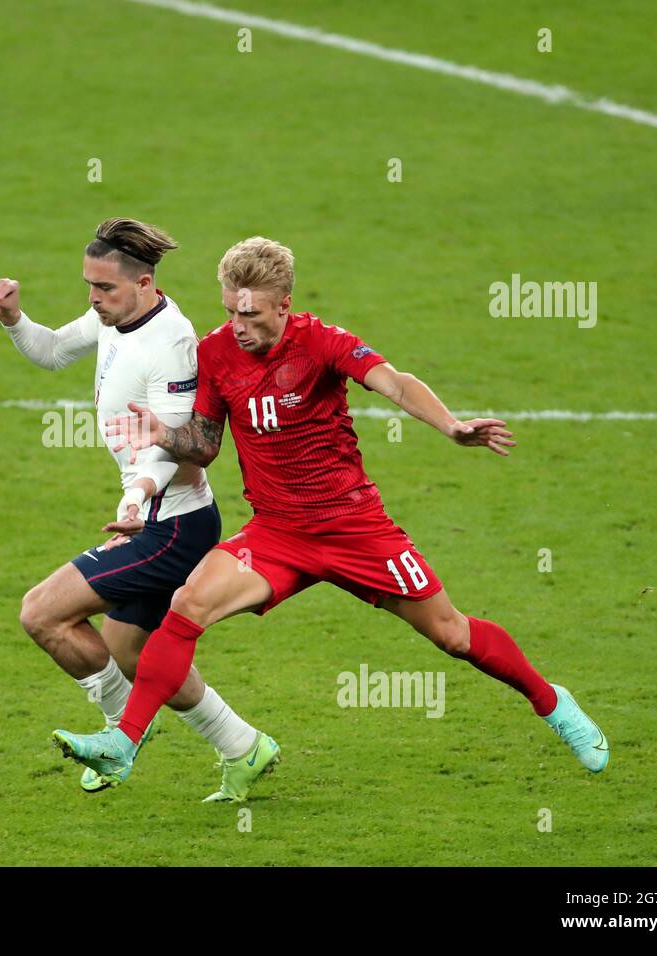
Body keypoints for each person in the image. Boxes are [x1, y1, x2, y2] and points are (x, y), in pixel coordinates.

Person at [54, 235, 610, 787]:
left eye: (249, 313)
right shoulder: (216, 352)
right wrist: (167, 435)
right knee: (186, 605)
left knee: (453, 635)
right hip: (276, 533)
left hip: (354, 528)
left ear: (284, 304)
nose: (237, 325)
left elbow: (393, 382)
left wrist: (451, 426)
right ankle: (123, 743)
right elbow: (205, 443)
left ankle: (552, 703)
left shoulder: (321, 342)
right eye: (229, 310)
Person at [0, 219, 277, 800]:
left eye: (105, 289)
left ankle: (122, 737)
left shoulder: (169, 344)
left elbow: (176, 444)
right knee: (131, 651)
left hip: (172, 524)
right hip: (148, 515)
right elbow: (50, 351)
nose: (93, 299)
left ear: (144, 284)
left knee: (42, 613)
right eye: (88, 286)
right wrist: (13, 318)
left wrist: (137, 495)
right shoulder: (114, 319)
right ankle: (244, 746)